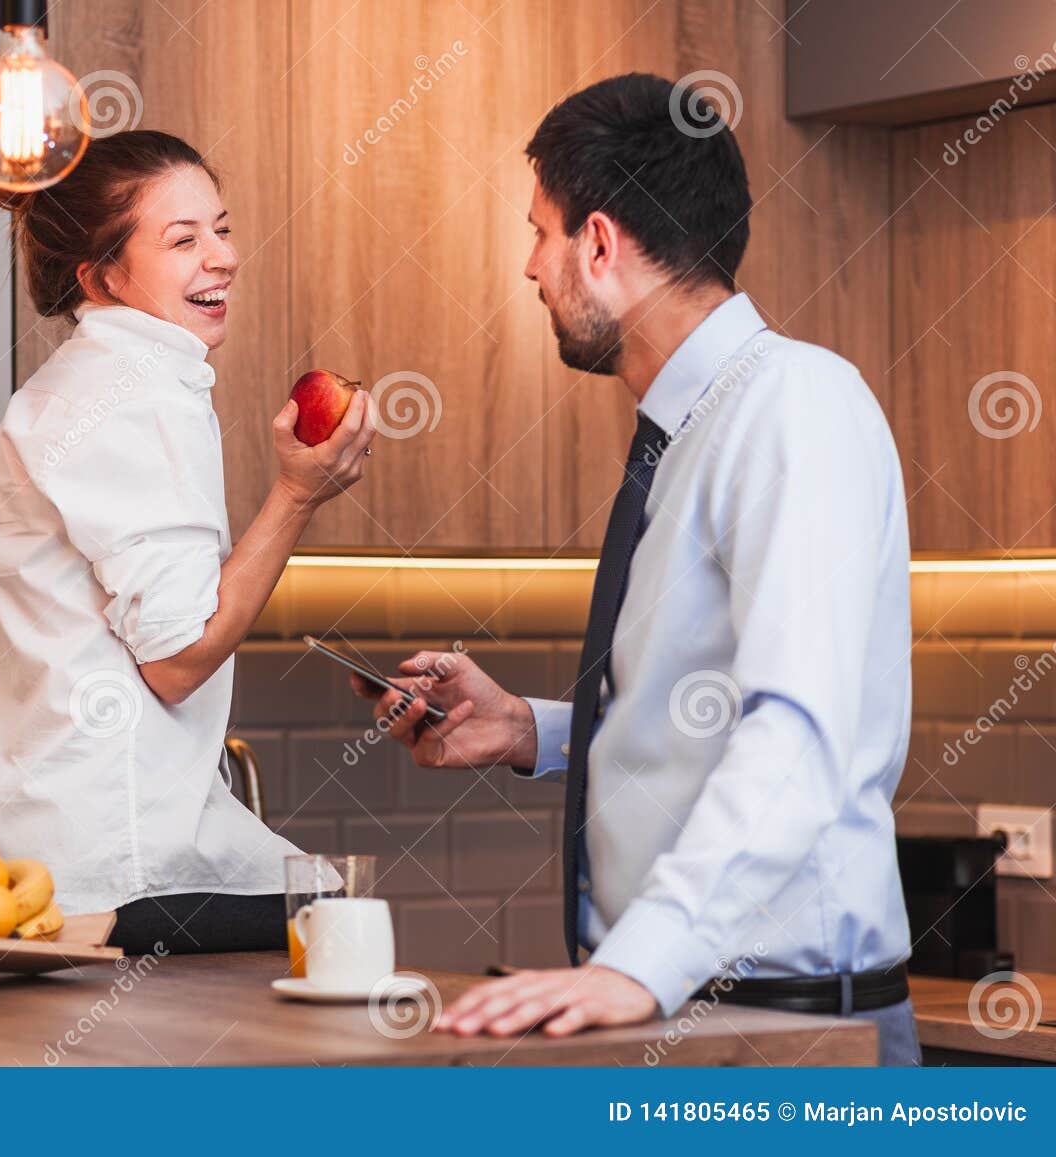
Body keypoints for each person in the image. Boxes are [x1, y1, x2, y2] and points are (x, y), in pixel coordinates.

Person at [353, 73, 919, 1064]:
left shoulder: (794, 406)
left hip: (787, 1027)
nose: (531, 267)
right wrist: (534, 729)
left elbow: (798, 730)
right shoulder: (689, 431)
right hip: (687, 1011)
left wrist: (636, 963)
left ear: (600, 243)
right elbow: (706, 707)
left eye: (539, 232)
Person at [0, 130, 375, 955]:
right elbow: (177, 658)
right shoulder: (135, 394)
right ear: (102, 276)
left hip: (29, 848)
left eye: (221, 227)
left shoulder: (80, 383)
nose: (224, 257)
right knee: (339, 905)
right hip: (110, 862)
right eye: (183, 239)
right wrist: (297, 494)